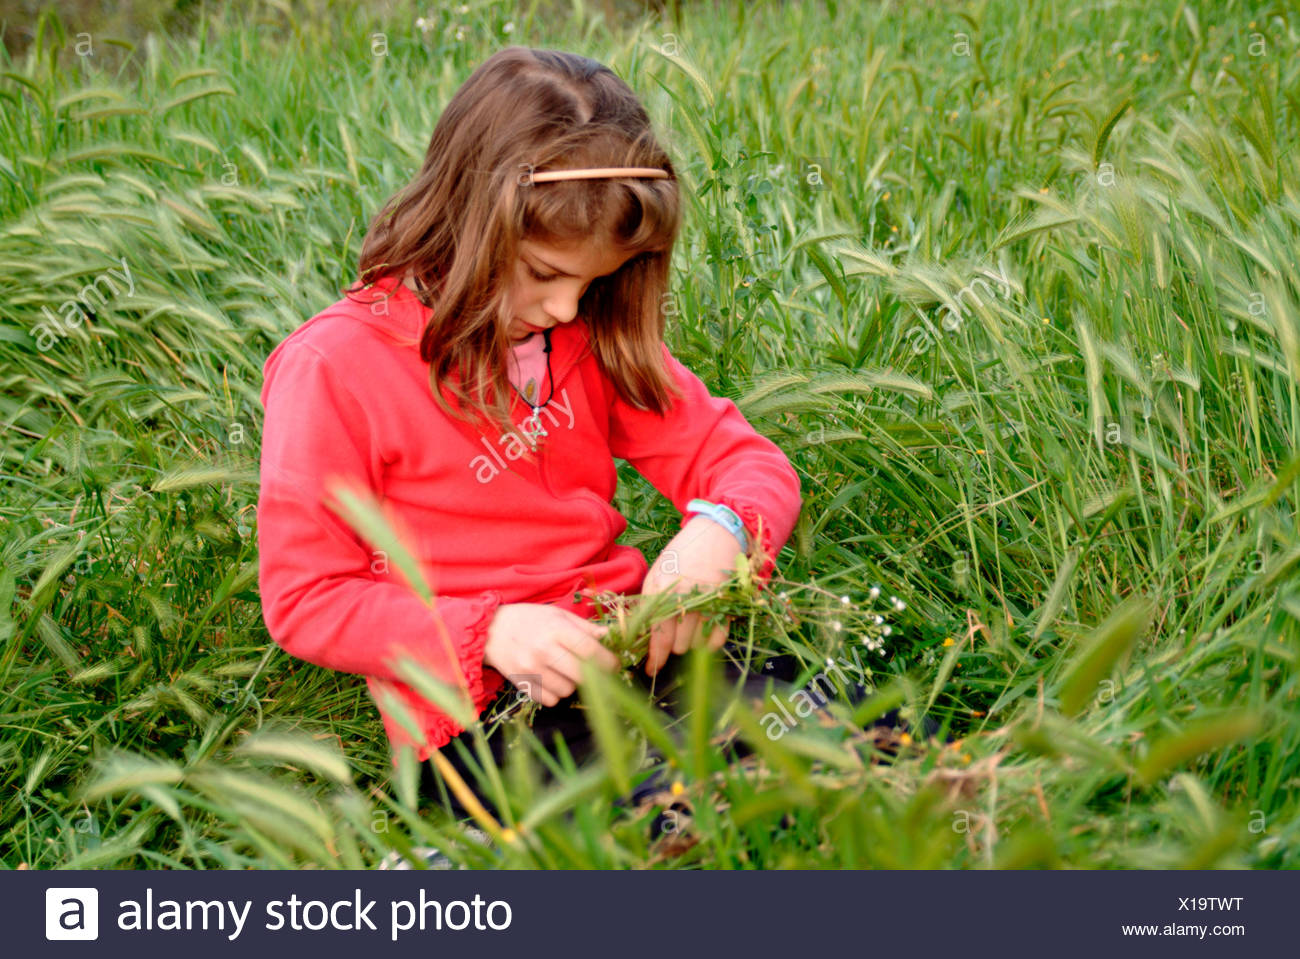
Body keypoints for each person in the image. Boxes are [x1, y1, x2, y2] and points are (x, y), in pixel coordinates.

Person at [255, 46, 805, 834]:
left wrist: (718, 534)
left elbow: (745, 459)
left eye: (592, 284)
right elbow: (307, 597)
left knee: (834, 733)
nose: (566, 309)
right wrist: (494, 631)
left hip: (639, 659)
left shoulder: (586, 341)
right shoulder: (334, 368)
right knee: (666, 817)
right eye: (545, 272)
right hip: (485, 716)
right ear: (467, 218)